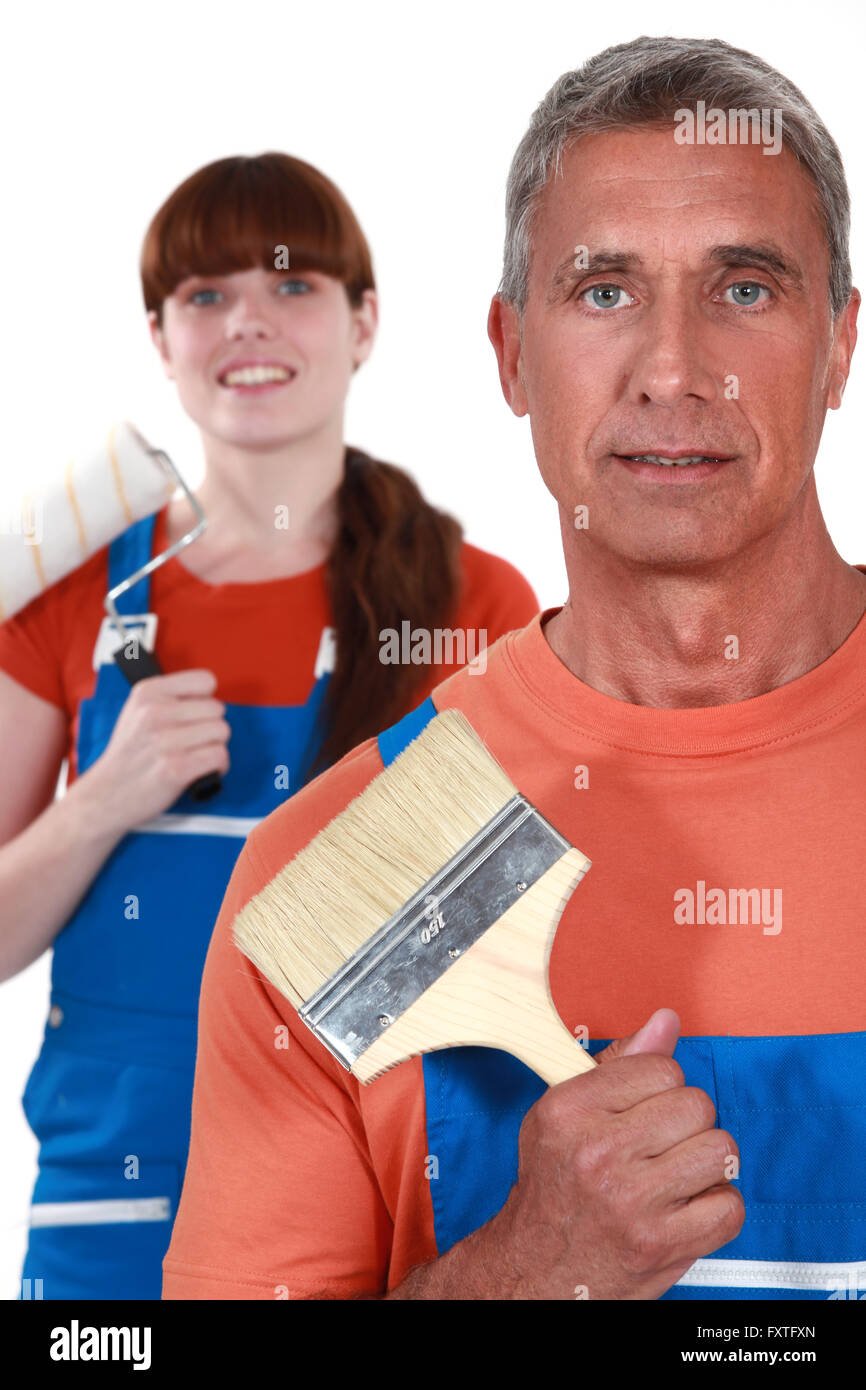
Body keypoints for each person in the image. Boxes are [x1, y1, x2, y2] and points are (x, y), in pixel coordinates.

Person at [162, 36, 866, 1303]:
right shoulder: (344, 868)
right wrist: (527, 1275)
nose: (669, 367)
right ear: (508, 354)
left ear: (837, 345)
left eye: (744, 289)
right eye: (602, 291)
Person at [0, 151, 538, 1301]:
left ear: (362, 323)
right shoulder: (68, 599)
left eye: (292, 286)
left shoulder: (472, 603)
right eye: (205, 294)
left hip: (363, 1193)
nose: (249, 320)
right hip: (108, 1205)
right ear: (161, 338)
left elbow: (513, 935)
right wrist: (103, 798)